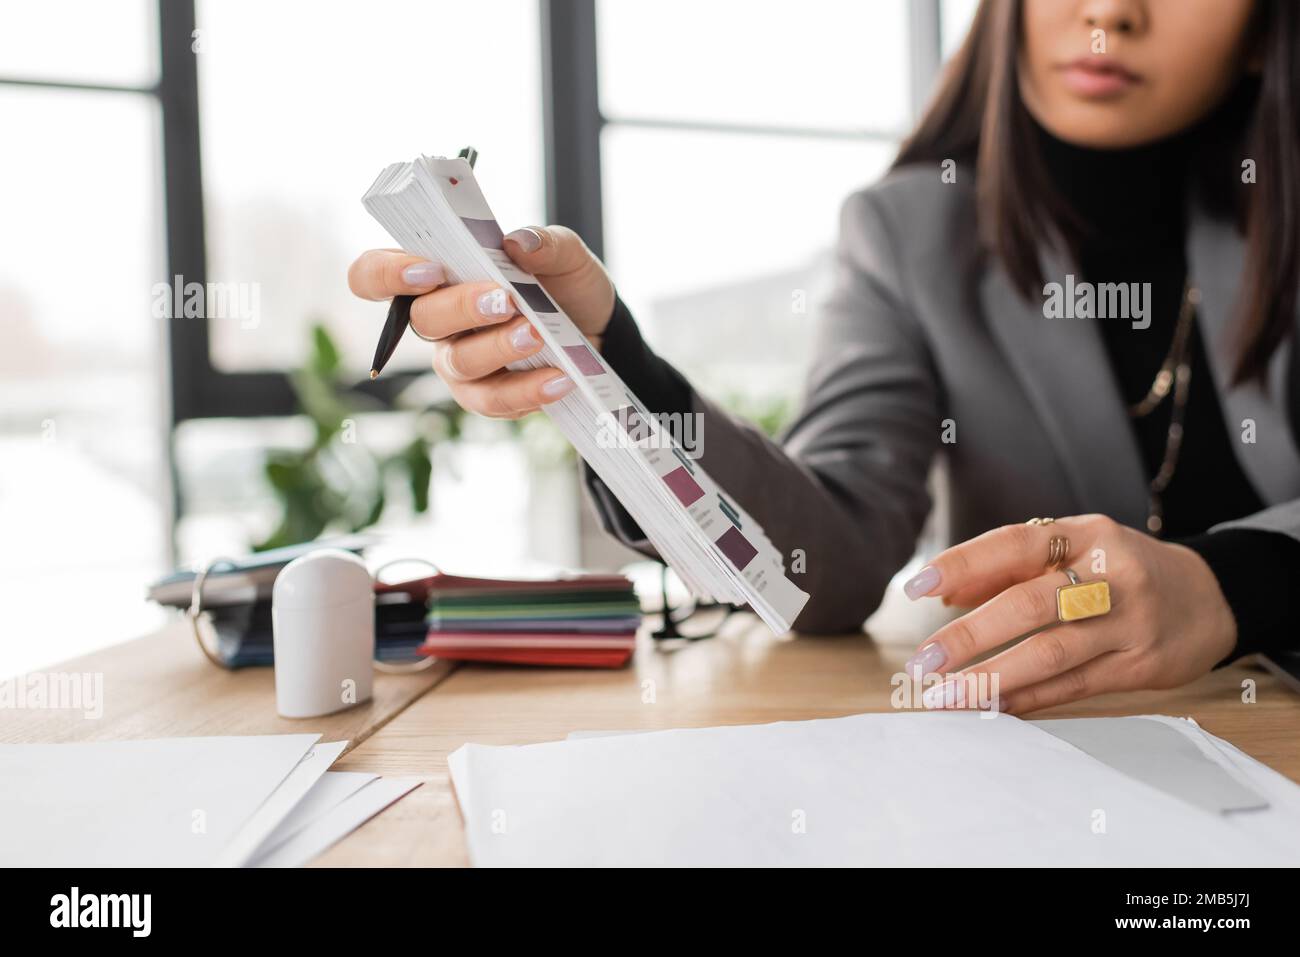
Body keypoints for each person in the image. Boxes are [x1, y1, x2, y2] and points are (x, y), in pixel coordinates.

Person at [347, 0, 1300, 714]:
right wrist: (613, 365)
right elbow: (826, 564)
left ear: (1265, 27)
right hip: (1071, 762)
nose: (1108, 15)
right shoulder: (910, 234)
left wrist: (1232, 584)